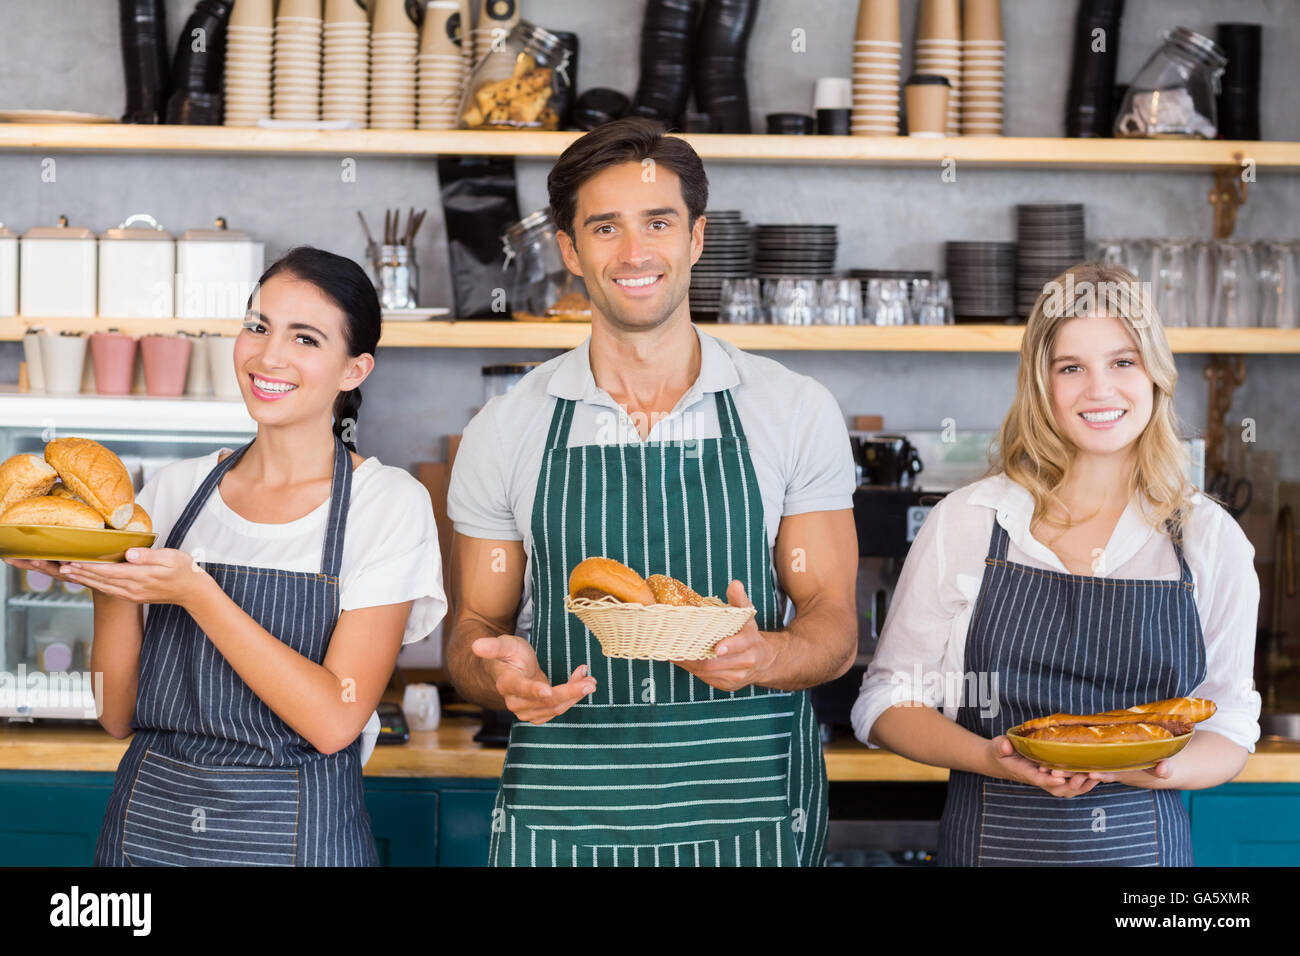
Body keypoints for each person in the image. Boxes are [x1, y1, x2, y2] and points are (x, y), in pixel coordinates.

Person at [445, 117, 859, 867]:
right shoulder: (507, 428)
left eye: (658, 223)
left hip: (751, 816)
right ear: (569, 249)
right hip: (567, 818)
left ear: (696, 237)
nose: (635, 253)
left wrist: (765, 656)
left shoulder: (791, 408)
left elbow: (834, 626)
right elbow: (474, 625)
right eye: (605, 228)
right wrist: (498, 675)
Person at [7, 247, 446, 865]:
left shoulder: (387, 504)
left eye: (306, 339)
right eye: (257, 326)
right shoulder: (174, 491)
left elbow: (333, 721)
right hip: (147, 832)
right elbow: (115, 712)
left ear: (355, 370)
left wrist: (197, 594)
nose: (269, 355)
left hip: (297, 838)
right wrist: (103, 583)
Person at [853, 262, 1260, 866]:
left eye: (1123, 361)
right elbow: (884, 702)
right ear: (1042, 385)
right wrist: (993, 758)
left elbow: (1228, 725)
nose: (1100, 390)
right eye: (1072, 368)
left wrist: (1157, 768)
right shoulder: (969, 521)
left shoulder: (1206, 537)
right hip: (989, 847)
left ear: (1155, 373)